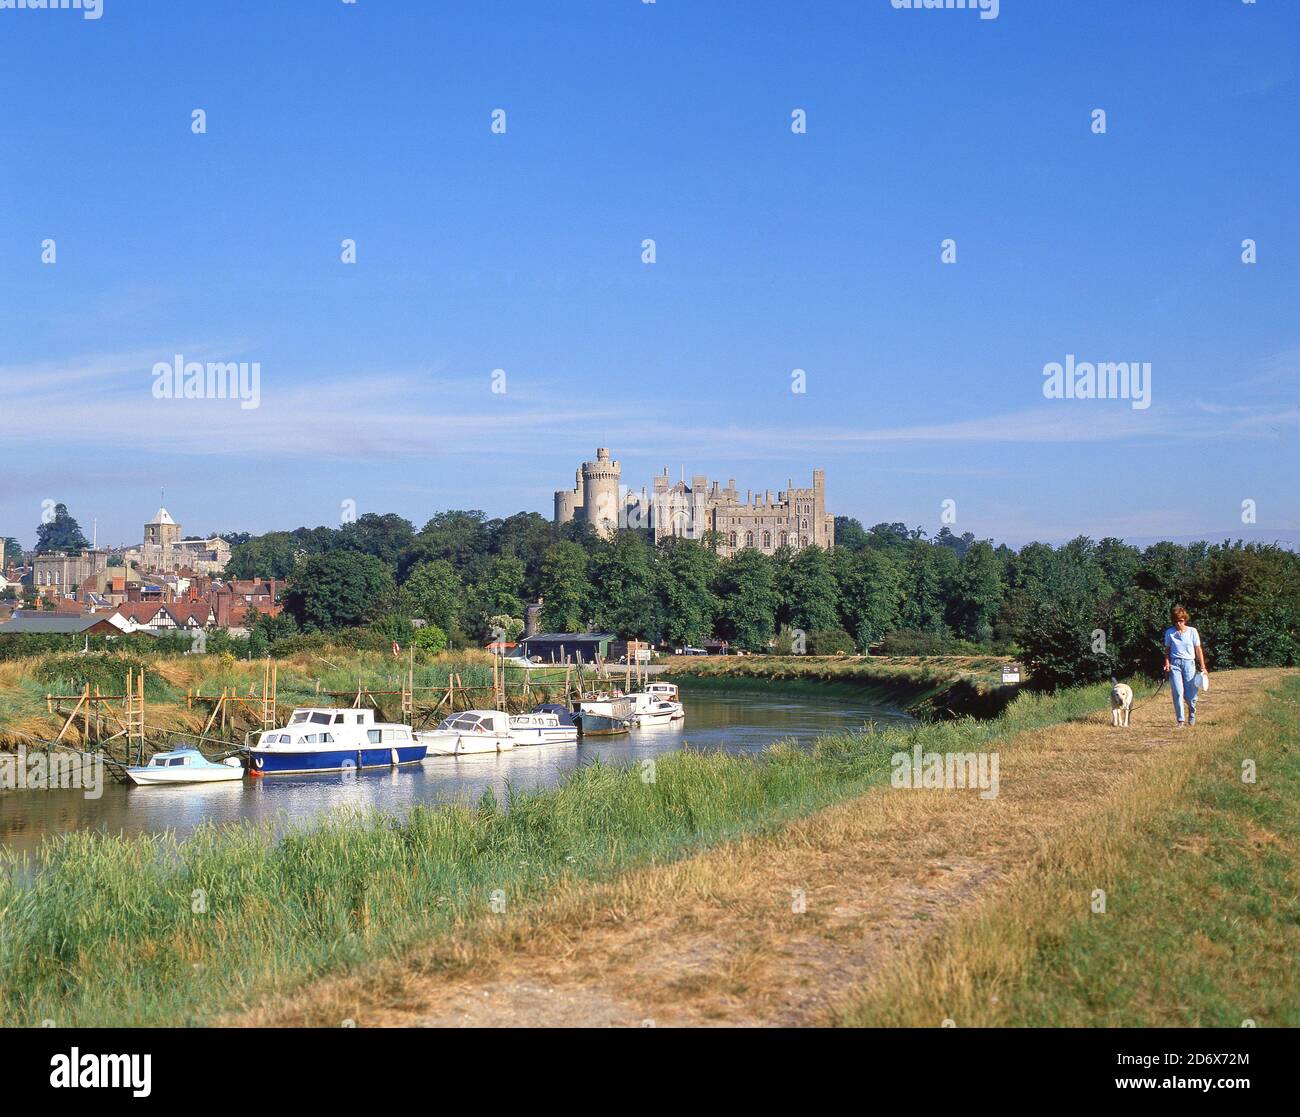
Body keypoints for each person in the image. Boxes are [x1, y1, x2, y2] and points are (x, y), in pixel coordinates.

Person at [1163, 605, 1208, 727]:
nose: (1178, 623)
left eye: (1181, 621)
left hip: (1189, 663)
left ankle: (1192, 711)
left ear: (1185, 620)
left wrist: (1203, 666)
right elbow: (1167, 650)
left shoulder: (1192, 631)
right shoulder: (1169, 632)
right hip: (1175, 664)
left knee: (1191, 694)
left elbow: (1198, 649)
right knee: (1177, 692)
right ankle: (1180, 720)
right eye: (1176, 621)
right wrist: (1167, 664)